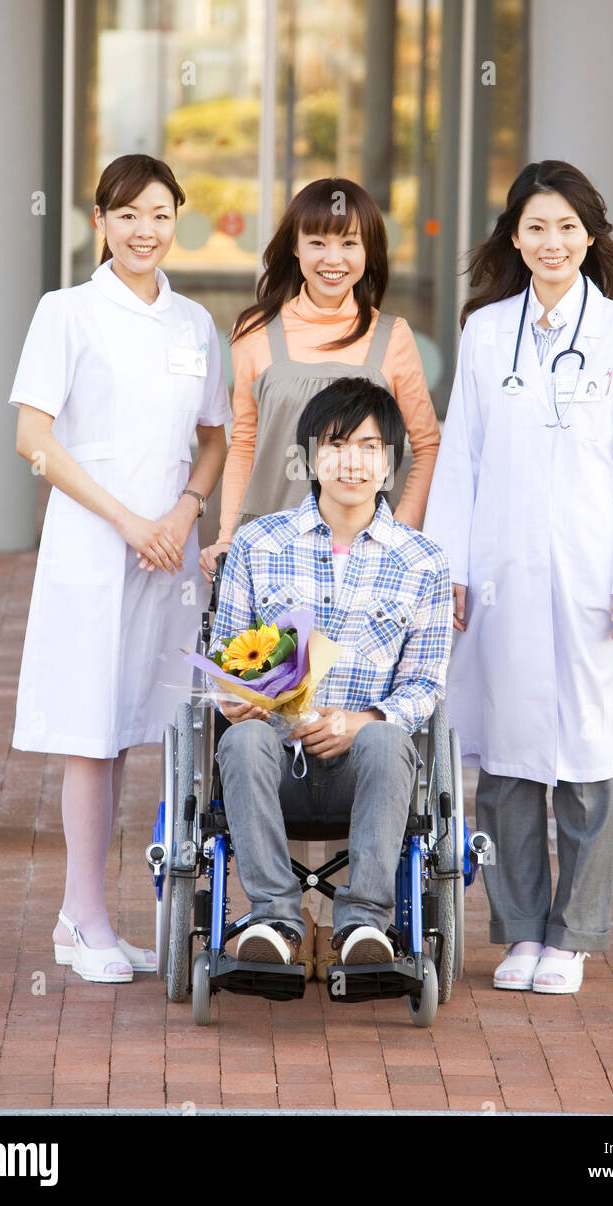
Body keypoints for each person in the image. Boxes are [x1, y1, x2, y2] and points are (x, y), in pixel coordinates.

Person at [424, 160, 613, 995]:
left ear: (592, 234)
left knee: (585, 755)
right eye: (536, 227)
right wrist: (452, 566)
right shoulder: (487, 330)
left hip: (589, 574)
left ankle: (572, 934)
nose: (552, 242)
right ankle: (520, 931)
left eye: (568, 226)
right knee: (506, 761)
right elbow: (460, 455)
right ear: (515, 237)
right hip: (500, 574)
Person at [199, 177, 441, 978]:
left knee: (362, 726)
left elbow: (423, 442)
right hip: (276, 557)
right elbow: (241, 441)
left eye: (349, 242)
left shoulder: (391, 337)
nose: (334, 257)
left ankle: (356, 922)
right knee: (255, 728)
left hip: (368, 557)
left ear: (367, 252)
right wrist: (232, 536)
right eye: (318, 241)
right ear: (294, 247)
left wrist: (397, 540)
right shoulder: (257, 333)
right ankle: (276, 919)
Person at [9, 154, 233, 983]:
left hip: (166, 556)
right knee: (88, 738)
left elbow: (213, 436)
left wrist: (182, 512)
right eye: (128, 214)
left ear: (179, 222)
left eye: (161, 214)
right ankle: (83, 921)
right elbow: (35, 439)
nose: (145, 230)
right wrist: (130, 520)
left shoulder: (192, 324)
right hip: (95, 551)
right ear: (100, 221)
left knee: (140, 731)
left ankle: (93, 918)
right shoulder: (66, 312)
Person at [208, 378, 453, 967]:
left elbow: (424, 683)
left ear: (390, 467)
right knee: (240, 740)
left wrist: (361, 721)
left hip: (367, 769)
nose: (354, 461)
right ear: (311, 457)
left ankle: (364, 926)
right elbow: (227, 660)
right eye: (338, 444)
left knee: (390, 739)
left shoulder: (423, 562)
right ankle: (274, 921)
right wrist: (236, 699)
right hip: (275, 762)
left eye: (371, 448)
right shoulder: (256, 543)